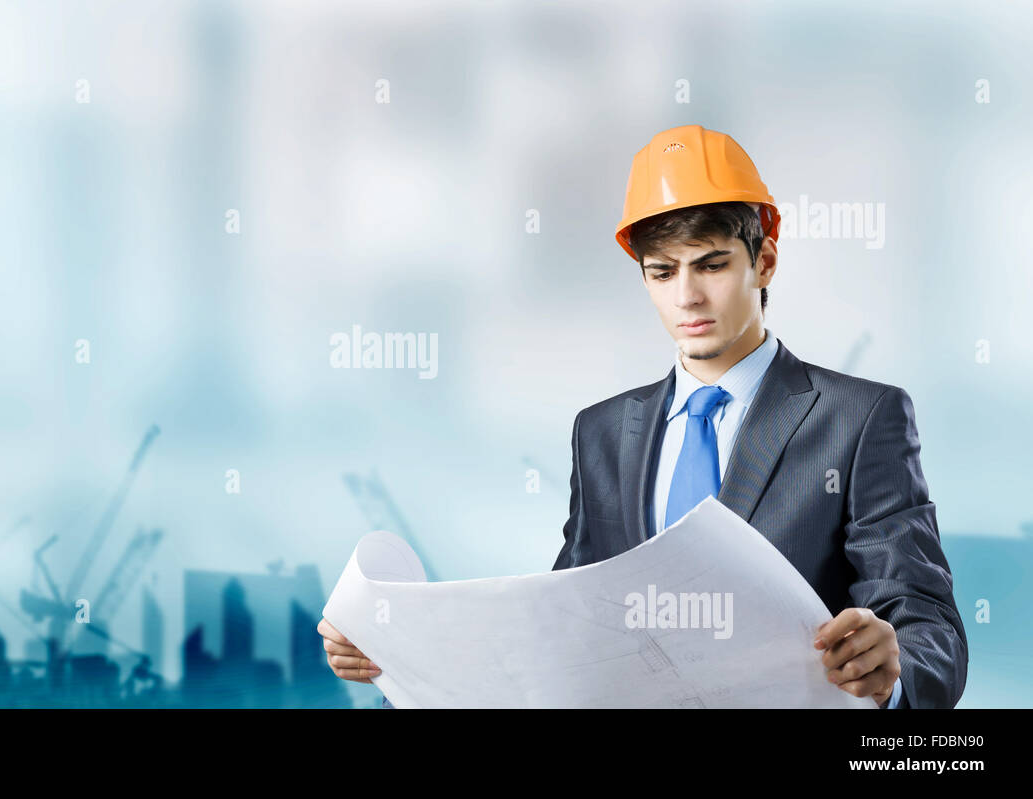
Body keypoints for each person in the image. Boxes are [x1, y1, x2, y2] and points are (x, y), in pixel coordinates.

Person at [318, 124, 967, 709]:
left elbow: (927, 620)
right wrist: (396, 651)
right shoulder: (601, 434)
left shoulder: (859, 418)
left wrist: (895, 667)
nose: (687, 294)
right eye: (662, 272)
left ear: (763, 260)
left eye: (712, 264)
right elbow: (559, 627)